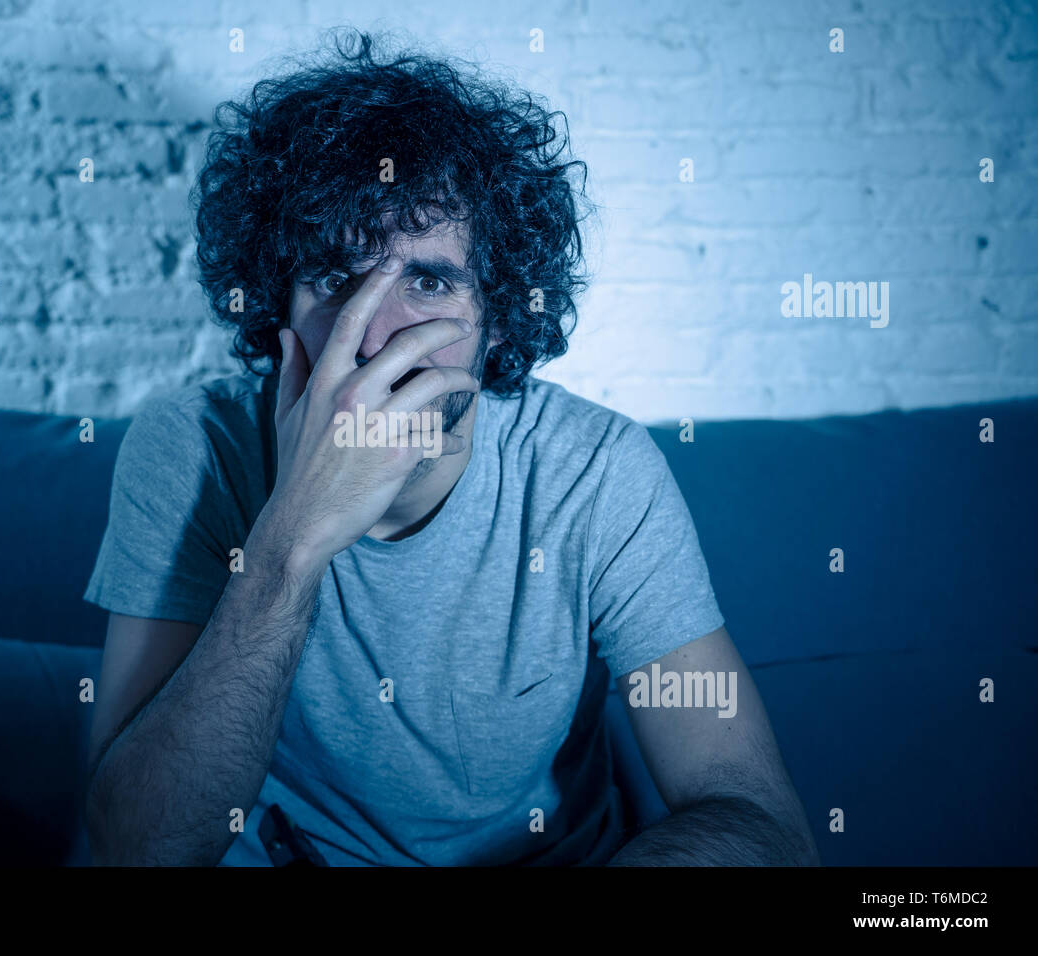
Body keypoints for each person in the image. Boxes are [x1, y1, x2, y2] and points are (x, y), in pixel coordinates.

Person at [81, 30, 818, 867]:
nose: (374, 335)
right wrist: (291, 543)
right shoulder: (195, 449)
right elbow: (136, 847)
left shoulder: (594, 472)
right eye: (336, 278)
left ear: (497, 315)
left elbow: (763, 826)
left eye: (427, 281)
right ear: (278, 308)